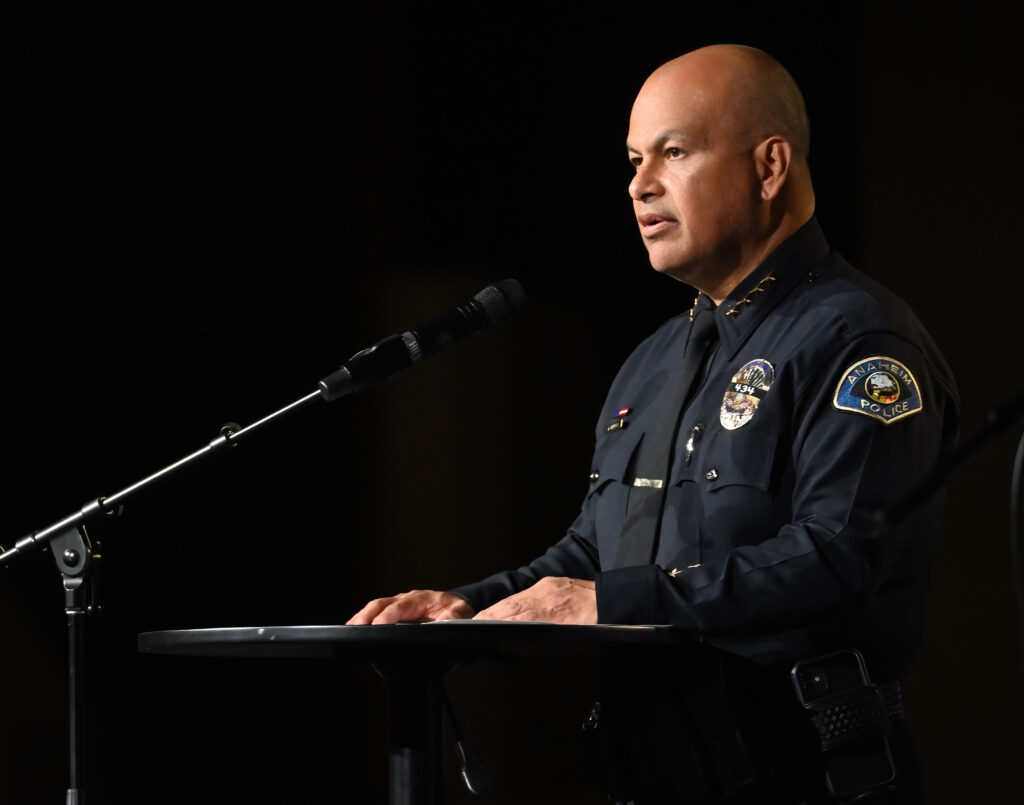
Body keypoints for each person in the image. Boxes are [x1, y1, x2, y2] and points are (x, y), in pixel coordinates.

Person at [349, 44, 959, 804]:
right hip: (653, 770)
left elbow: (837, 560)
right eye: (635, 159)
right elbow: (597, 550)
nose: (640, 185)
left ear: (770, 167)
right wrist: (469, 605)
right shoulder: (654, 360)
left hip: (805, 773)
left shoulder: (859, 342)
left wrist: (610, 602)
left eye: (674, 152)